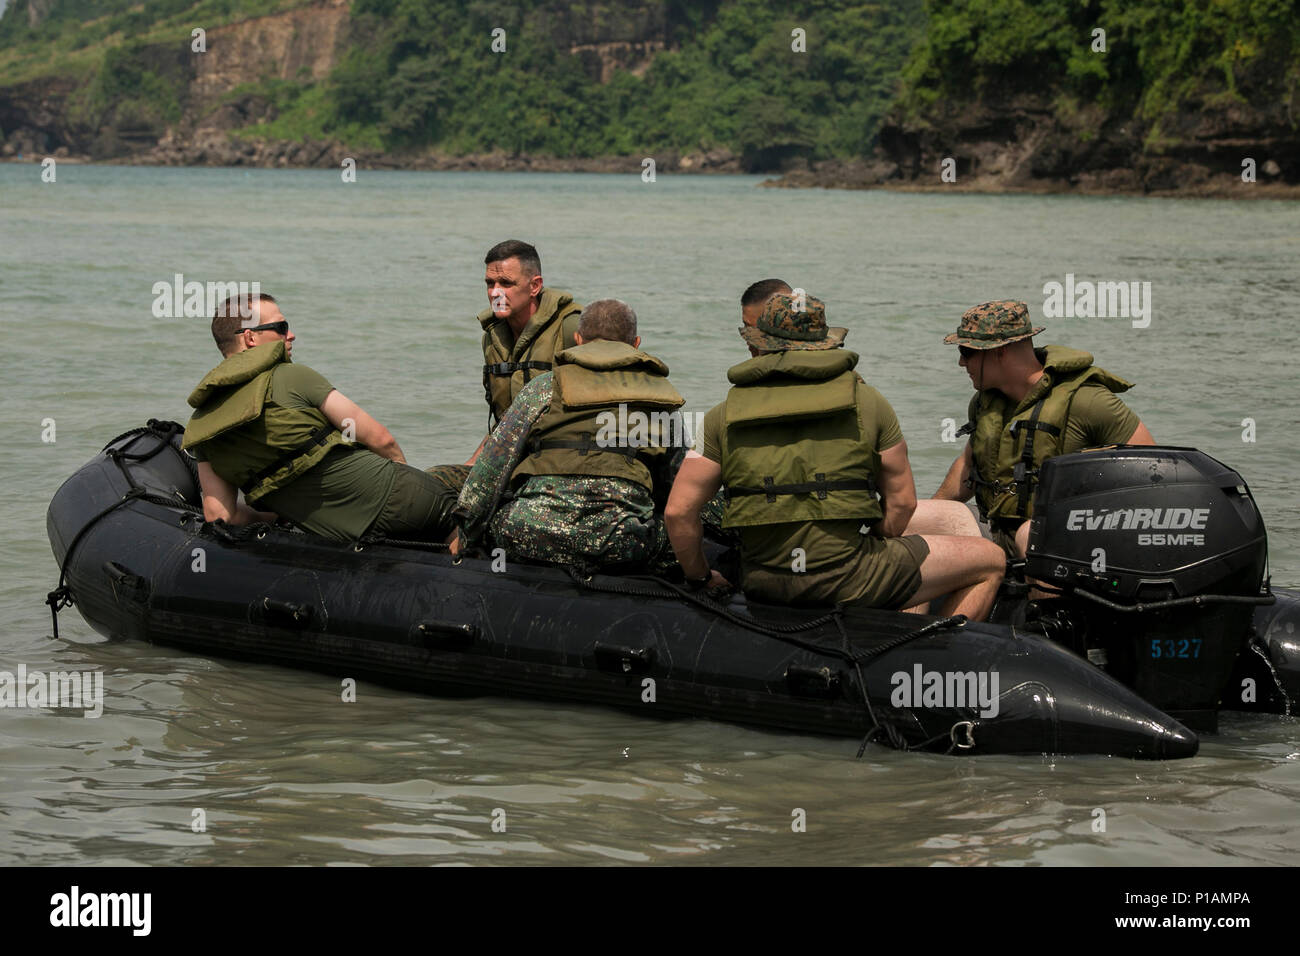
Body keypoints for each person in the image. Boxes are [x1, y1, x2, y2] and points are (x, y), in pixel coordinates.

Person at [666, 293, 1005, 621]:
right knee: (991, 559)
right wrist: (871, 540)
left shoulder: (722, 415)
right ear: (824, 343)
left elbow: (679, 513)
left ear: (759, 345)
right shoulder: (870, 403)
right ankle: (927, 662)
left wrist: (700, 578)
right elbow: (902, 504)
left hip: (762, 583)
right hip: (850, 577)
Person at [183, 294, 460, 544]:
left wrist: (277, 520)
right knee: (466, 510)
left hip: (345, 532)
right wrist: (406, 481)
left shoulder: (203, 423)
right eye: (281, 327)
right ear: (250, 338)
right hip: (406, 499)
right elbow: (380, 439)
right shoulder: (292, 376)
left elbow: (220, 515)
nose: (291, 335)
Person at [454, 299, 687, 570]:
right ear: (636, 344)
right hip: (619, 543)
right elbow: (680, 488)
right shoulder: (661, 399)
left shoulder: (543, 388)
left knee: (500, 521)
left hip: (529, 533)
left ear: (577, 339)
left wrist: (465, 537)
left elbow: (490, 472)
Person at [934, 300, 1155, 557]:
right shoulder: (985, 402)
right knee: (916, 518)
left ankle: (1042, 598)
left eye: (966, 351)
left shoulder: (1087, 400)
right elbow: (968, 469)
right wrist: (931, 512)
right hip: (996, 530)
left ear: (999, 351)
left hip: (1065, 536)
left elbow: (1151, 471)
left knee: (1031, 535)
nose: (961, 362)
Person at [478, 239, 584, 433]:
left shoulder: (571, 327)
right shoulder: (492, 338)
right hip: (513, 445)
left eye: (506, 283)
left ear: (534, 286)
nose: (495, 293)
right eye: (490, 283)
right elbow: (503, 423)